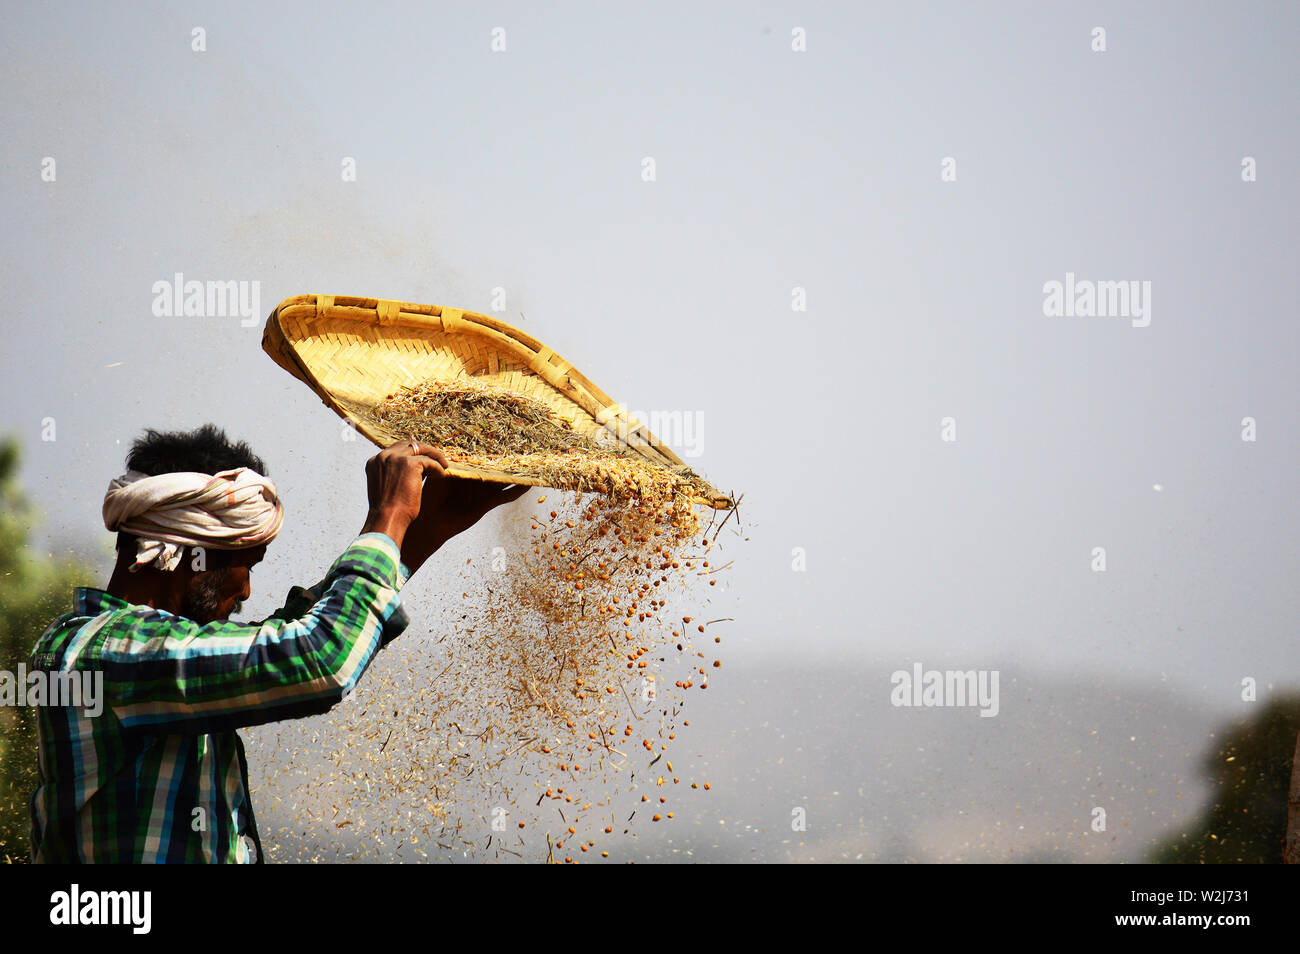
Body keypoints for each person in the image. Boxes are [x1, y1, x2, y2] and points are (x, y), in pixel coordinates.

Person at [27, 423, 524, 862]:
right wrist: (389, 514)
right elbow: (318, 658)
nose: (245, 591)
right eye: (246, 564)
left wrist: (419, 532)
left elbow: (289, 635)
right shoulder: (99, 653)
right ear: (188, 551)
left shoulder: (148, 650)